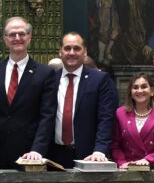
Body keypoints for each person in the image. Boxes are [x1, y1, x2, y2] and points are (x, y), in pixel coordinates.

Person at [0, 17, 57, 168]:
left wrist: (37, 149)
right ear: (5, 39)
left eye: (22, 34)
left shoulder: (45, 74)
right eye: (12, 34)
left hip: (30, 154)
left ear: (29, 37)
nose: (17, 38)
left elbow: (47, 115)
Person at [47, 32, 117, 169]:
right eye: (67, 48)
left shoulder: (100, 80)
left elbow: (106, 118)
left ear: (85, 52)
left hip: (90, 156)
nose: (71, 52)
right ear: (60, 52)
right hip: (53, 155)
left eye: (77, 48)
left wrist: (100, 150)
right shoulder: (50, 79)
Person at [110, 73, 154, 169]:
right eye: (135, 87)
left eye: (144, 87)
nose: (139, 90)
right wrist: (122, 162)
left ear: (152, 91)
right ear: (130, 92)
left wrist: (148, 160)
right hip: (128, 170)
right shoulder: (120, 113)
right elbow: (115, 144)